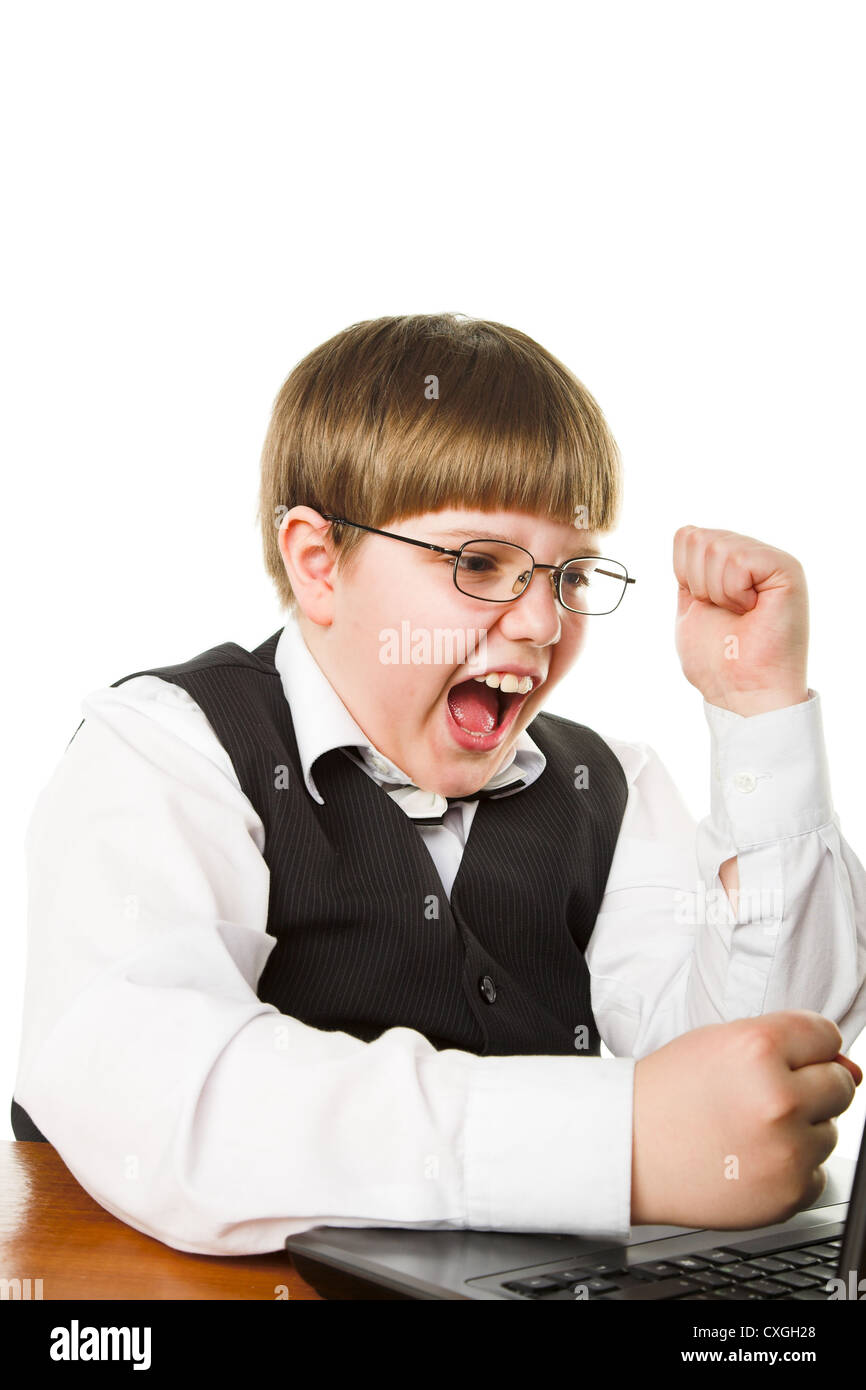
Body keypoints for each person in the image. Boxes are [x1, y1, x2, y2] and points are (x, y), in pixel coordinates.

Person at [11, 313, 866, 1255]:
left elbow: (762, 1083)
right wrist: (611, 1142)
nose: (542, 621)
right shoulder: (169, 747)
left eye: (570, 572)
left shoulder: (607, 786)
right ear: (319, 562)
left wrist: (758, 714)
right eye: (482, 563)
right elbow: (153, 1091)